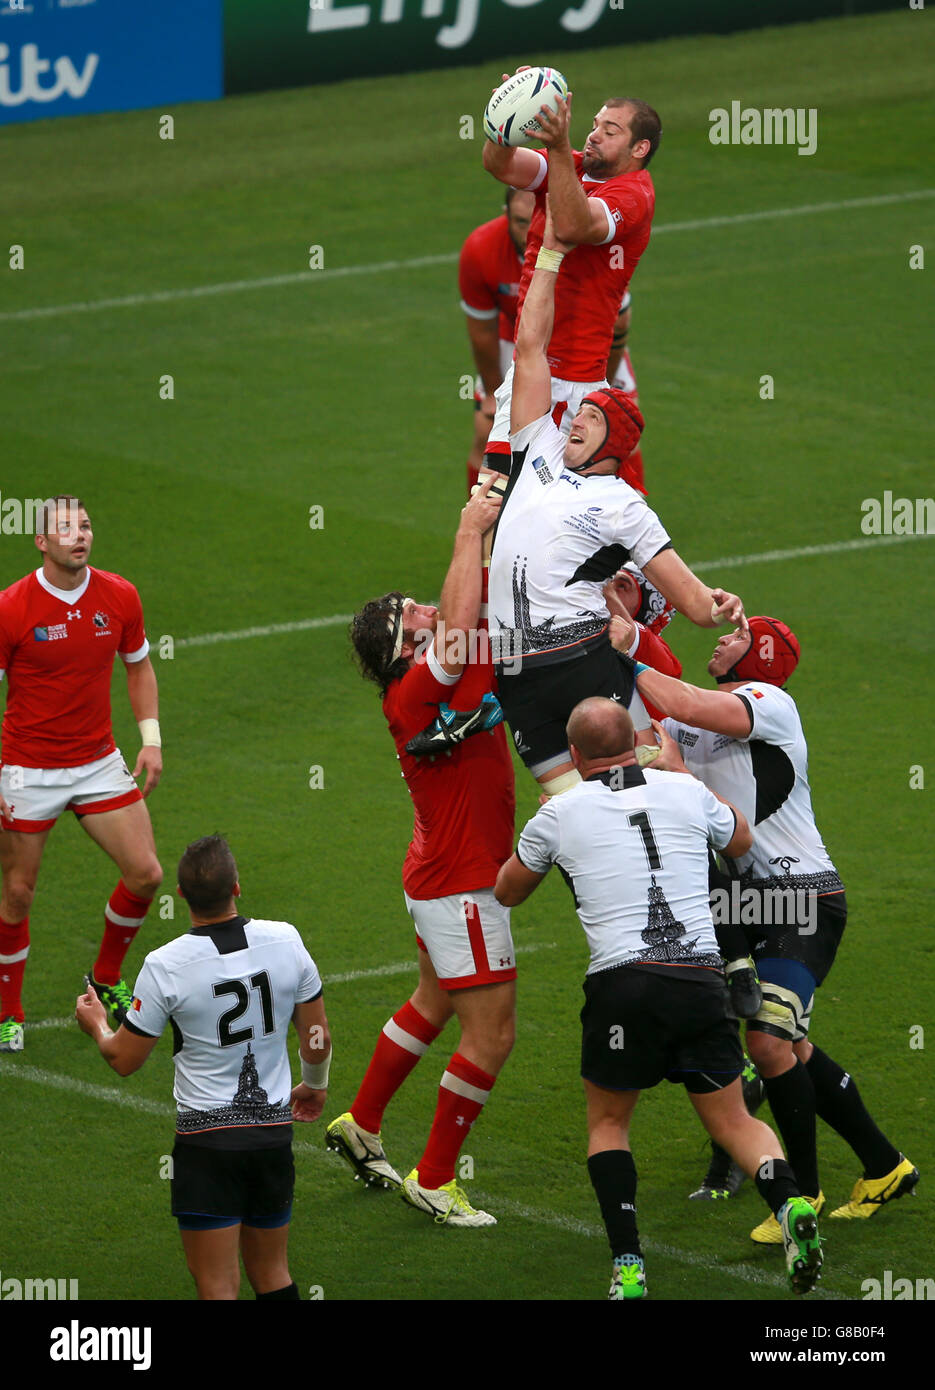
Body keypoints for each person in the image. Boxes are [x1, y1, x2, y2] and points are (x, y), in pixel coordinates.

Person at [494, 697, 824, 1298]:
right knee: (733, 1120)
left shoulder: (559, 812)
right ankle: (791, 1202)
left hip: (623, 986)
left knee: (610, 1123)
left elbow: (507, 891)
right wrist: (686, 787)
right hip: (700, 980)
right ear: (636, 742)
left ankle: (628, 1266)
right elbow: (741, 841)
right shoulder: (684, 792)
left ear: (573, 755)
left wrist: (545, 837)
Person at [629, 620, 919, 1235]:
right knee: (790, 1046)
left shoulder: (770, 703)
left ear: (761, 655)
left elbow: (675, 699)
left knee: (765, 1043)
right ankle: (885, 1166)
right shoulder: (686, 723)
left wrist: (624, 648)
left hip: (802, 901)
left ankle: (803, 1196)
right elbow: (648, 714)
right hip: (744, 904)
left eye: (738, 636)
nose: (721, 639)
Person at [485, 214, 746, 798]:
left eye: (592, 417)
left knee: (652, 788)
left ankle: (716, 858)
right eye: (578, 413)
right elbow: (530, 349)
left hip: (581, 657)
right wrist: (548, 257)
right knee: (576, 818)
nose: (575, 418)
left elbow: (692, 601)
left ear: (616, 445)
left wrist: (717, 605)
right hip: (516, 675)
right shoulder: (540, 446)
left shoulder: (624, 505)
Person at [328, 477, 516, 1227]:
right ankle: (435, 1178)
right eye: (417, 619)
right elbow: (463, 613)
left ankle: (360, 1122)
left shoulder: (437, 669)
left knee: (434, 1001)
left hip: (440, 875)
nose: (433, 615)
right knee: (491, 1034)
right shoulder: (413, 691)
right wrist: (467, 526)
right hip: (463, 884)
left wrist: (497, 519)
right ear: (404, 649)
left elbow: (476, 601)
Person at [75, 834, 330, 1300]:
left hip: (206, 1146)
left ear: (182, 897)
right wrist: (314, 1086)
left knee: (217, 1286)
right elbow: (317, 1038)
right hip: (271, 1136)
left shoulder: (164, 965)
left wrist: (95, 1024)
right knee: (274, 1275)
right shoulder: (286, 940)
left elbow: (124, 1059)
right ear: (237, 886)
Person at [0, 495, 163, 1053]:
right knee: (18, 893)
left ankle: (106, 977)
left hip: (96, 762)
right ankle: (8, 1012)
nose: (80, 535)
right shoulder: (12, 607)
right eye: (66, 528)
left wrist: (151, 740)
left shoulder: (118, 595)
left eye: (86, 525)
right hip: (26, 769)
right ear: (41, 542)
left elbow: (138, 664)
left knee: (146, 875)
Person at [482, 88, 660, 469]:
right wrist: (503, 122)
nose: (593, 134)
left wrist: (560, 148)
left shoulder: (634, 195)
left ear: (640, 148)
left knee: (539, 518)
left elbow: (574, 224)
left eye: (610, 131)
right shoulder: (571, 166)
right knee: (490, 510)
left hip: (571, 385)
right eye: (594, 124)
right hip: (528, 369)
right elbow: (501, 165)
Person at [459, 188, 535, 493]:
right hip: (514, 338)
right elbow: (482, 330)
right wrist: (492, 390)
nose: (529, 231)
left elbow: (616, 317)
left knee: (614, 433)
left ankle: (628, 538)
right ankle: (476, 533)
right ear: (505, 214)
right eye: (519, 221)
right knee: (485, 432)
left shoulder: (577, 239)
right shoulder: (481, 249)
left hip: (579, 338)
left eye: (536, 220)